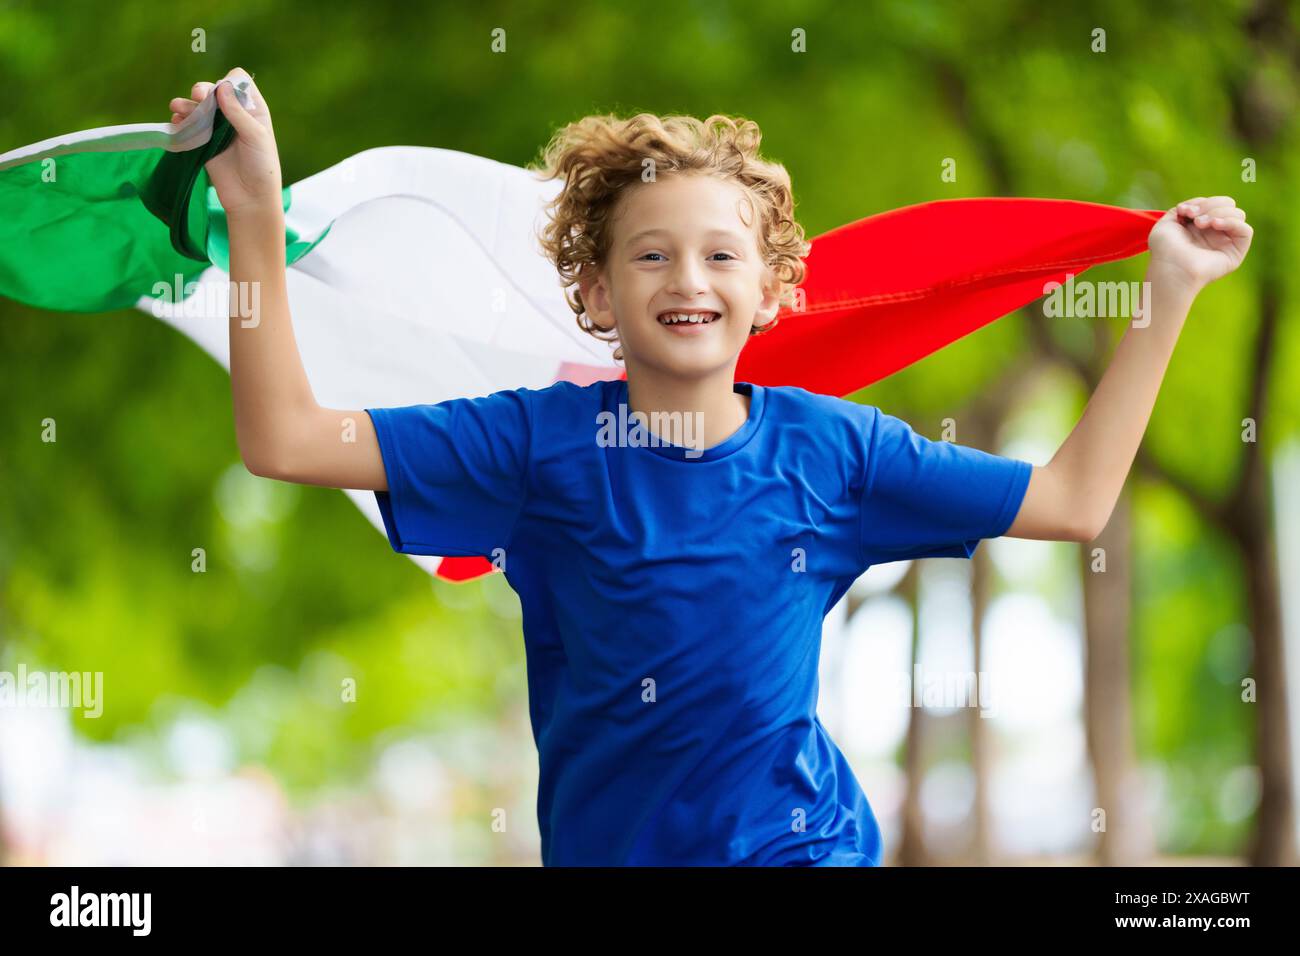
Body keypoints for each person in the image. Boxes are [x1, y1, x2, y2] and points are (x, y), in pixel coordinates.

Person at [169, 66, 1253, 866]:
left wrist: (1165, 295)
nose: (687, 277)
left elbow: (1070, 500)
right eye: (650, 252)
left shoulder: (836, 450)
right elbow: (287, 439)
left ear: (772, 289)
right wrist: (255, 217)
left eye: (721, 253)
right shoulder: (529, 443)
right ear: (593, 293)